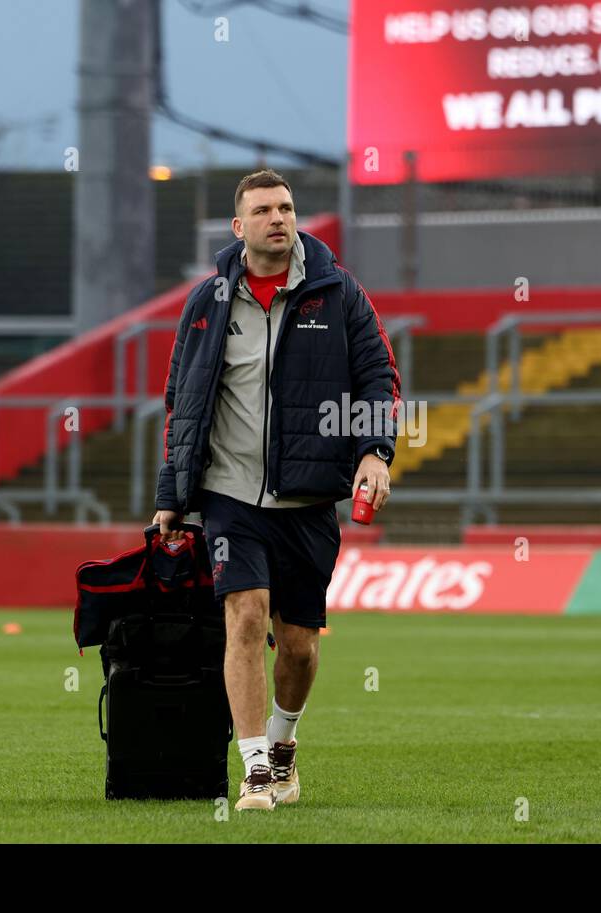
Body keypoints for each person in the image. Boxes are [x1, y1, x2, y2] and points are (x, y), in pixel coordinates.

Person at [151, 169, 400, 812]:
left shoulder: (340, 294)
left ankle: (285, 744)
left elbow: (379, 378)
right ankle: (256, 766)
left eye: (286, 208)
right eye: (263, 210)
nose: (278, 219)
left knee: (299, 645)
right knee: (245, 615)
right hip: (230, 496)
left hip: (309, 496)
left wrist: (375, 452)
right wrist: (170, 494)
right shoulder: (206, 302)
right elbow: (183, 403)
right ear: (239, 228)